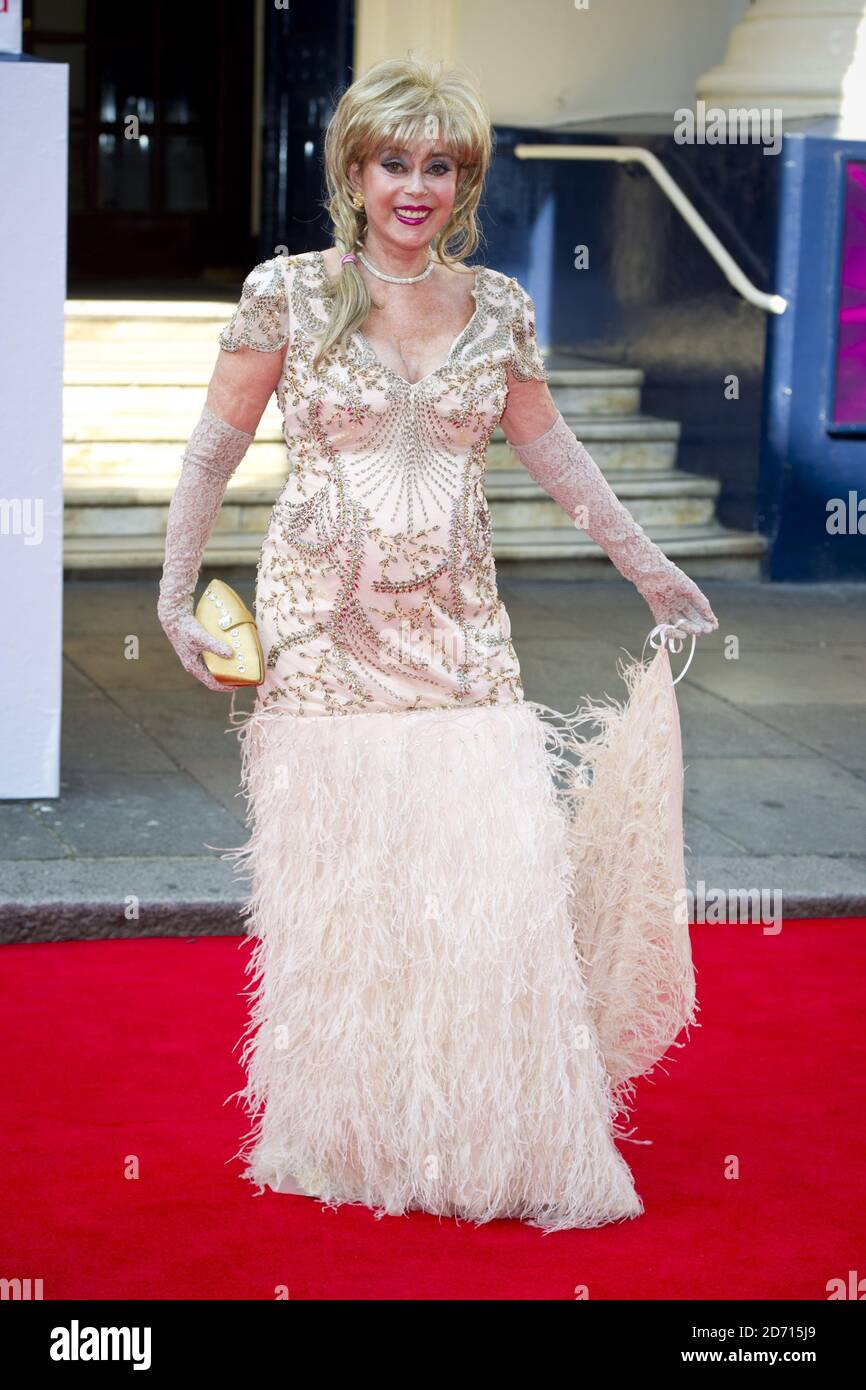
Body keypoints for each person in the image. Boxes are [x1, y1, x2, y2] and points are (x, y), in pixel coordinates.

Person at [157, 57, 717, 1232]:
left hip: (460, 640)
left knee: (491, 894)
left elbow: (554, 455)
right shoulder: (288, 294)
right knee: (349, 903)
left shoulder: (500, 306)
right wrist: (173, 592)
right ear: (353, 172)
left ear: (460, 181)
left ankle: (497, 1141)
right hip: (322, 638)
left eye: (439, 166)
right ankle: (355, 1136)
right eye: (393, 162)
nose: (414, 186)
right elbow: (212, 451)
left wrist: (646, 562)